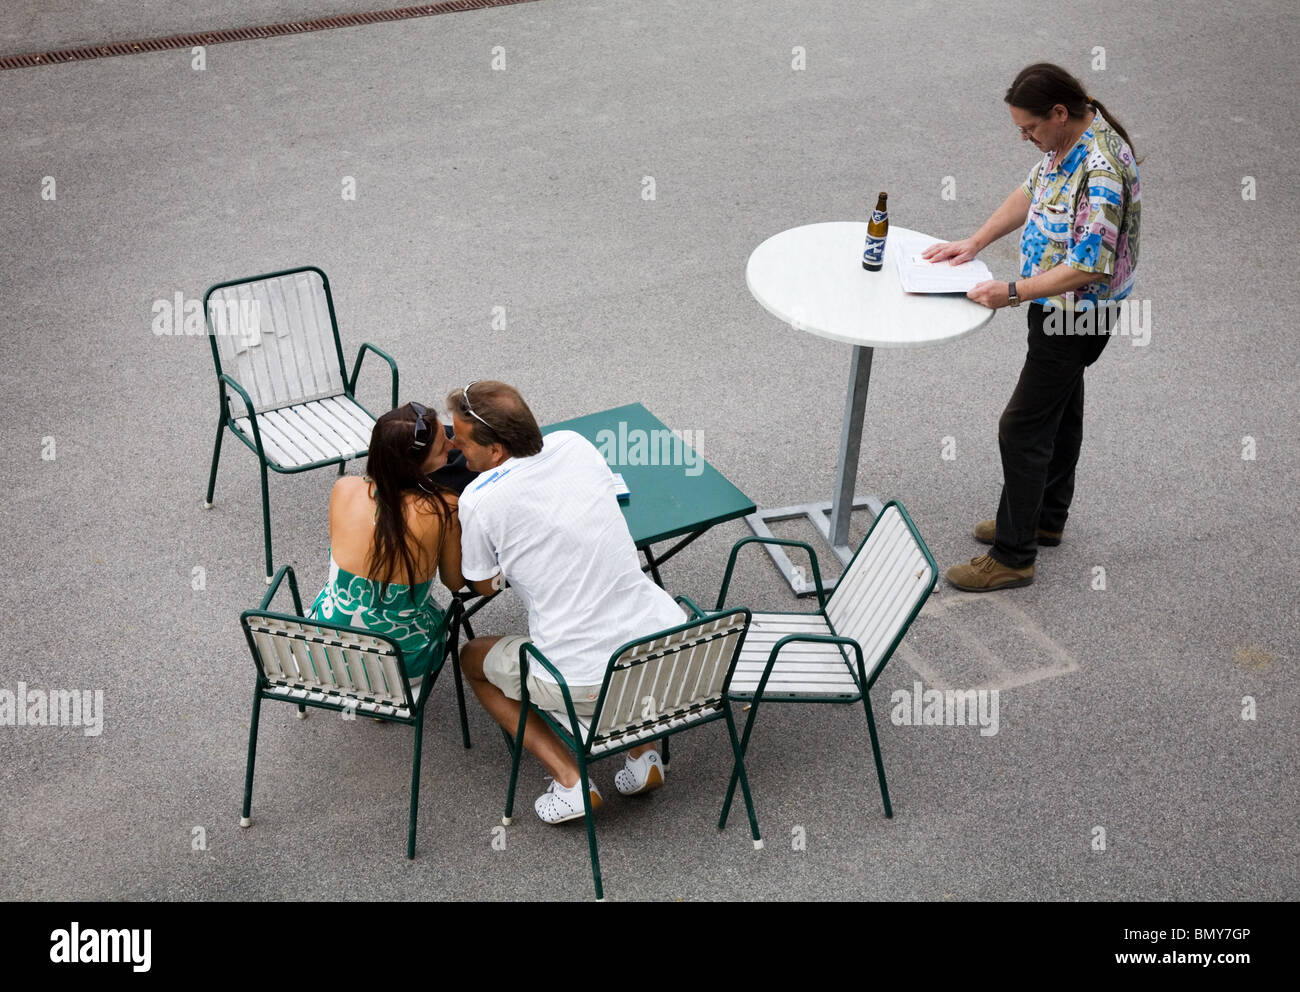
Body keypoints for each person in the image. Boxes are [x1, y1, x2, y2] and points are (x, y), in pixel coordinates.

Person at [922, 62, 1141, 591]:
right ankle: (1043, 516)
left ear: (1060, 113)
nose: (1026, 138)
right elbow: (1032, 192)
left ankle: (1014, 554)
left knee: (1021, 427)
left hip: (1077, 314)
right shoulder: (1067, 142)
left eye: (1030, 128)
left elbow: (1091, 265)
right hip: (1057, 306)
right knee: (1059, 412)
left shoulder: (1102, 169)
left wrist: (1011, 292)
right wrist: (975, 241)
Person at [448, 381, 684, 824]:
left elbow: (480, 584)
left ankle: (571, 780)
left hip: (582, 682)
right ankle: (643, 755)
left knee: (473, 658)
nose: (458, 452)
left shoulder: (478, 500)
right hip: (667, 653)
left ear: (496, 450)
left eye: (462, 441)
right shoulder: (574, 444)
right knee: (625, 624)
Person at [310, 402, 465, 681]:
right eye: (444, 445)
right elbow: (455, 582)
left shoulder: (343, 488)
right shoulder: (444, 508)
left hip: (326, 655)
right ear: (414, 465)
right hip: (403, 667)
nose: (453, 446)